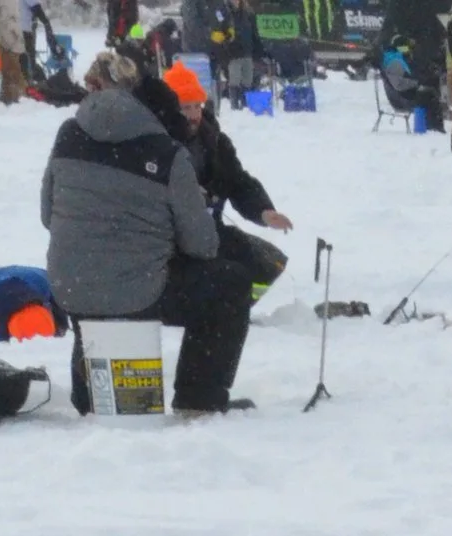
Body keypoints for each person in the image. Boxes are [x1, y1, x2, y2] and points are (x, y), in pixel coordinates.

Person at [41, 46, 255, 412]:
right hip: (138, 291)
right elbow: (202, 244)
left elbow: (49, 215)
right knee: (230, 284)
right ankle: (199, 399)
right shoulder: (168, 153)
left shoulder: (68, 135)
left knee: (95, 277)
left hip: (72, 286)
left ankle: (90, 396)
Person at [158, 60, 293, 299]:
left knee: (269, 264)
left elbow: (239, 182)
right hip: (167, 245)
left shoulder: (215, 142)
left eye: (196, 107)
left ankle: (235, 307)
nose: (193, 115)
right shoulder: (155, 145)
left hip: (212, 232)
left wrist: (264, 212)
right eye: (185, 108)